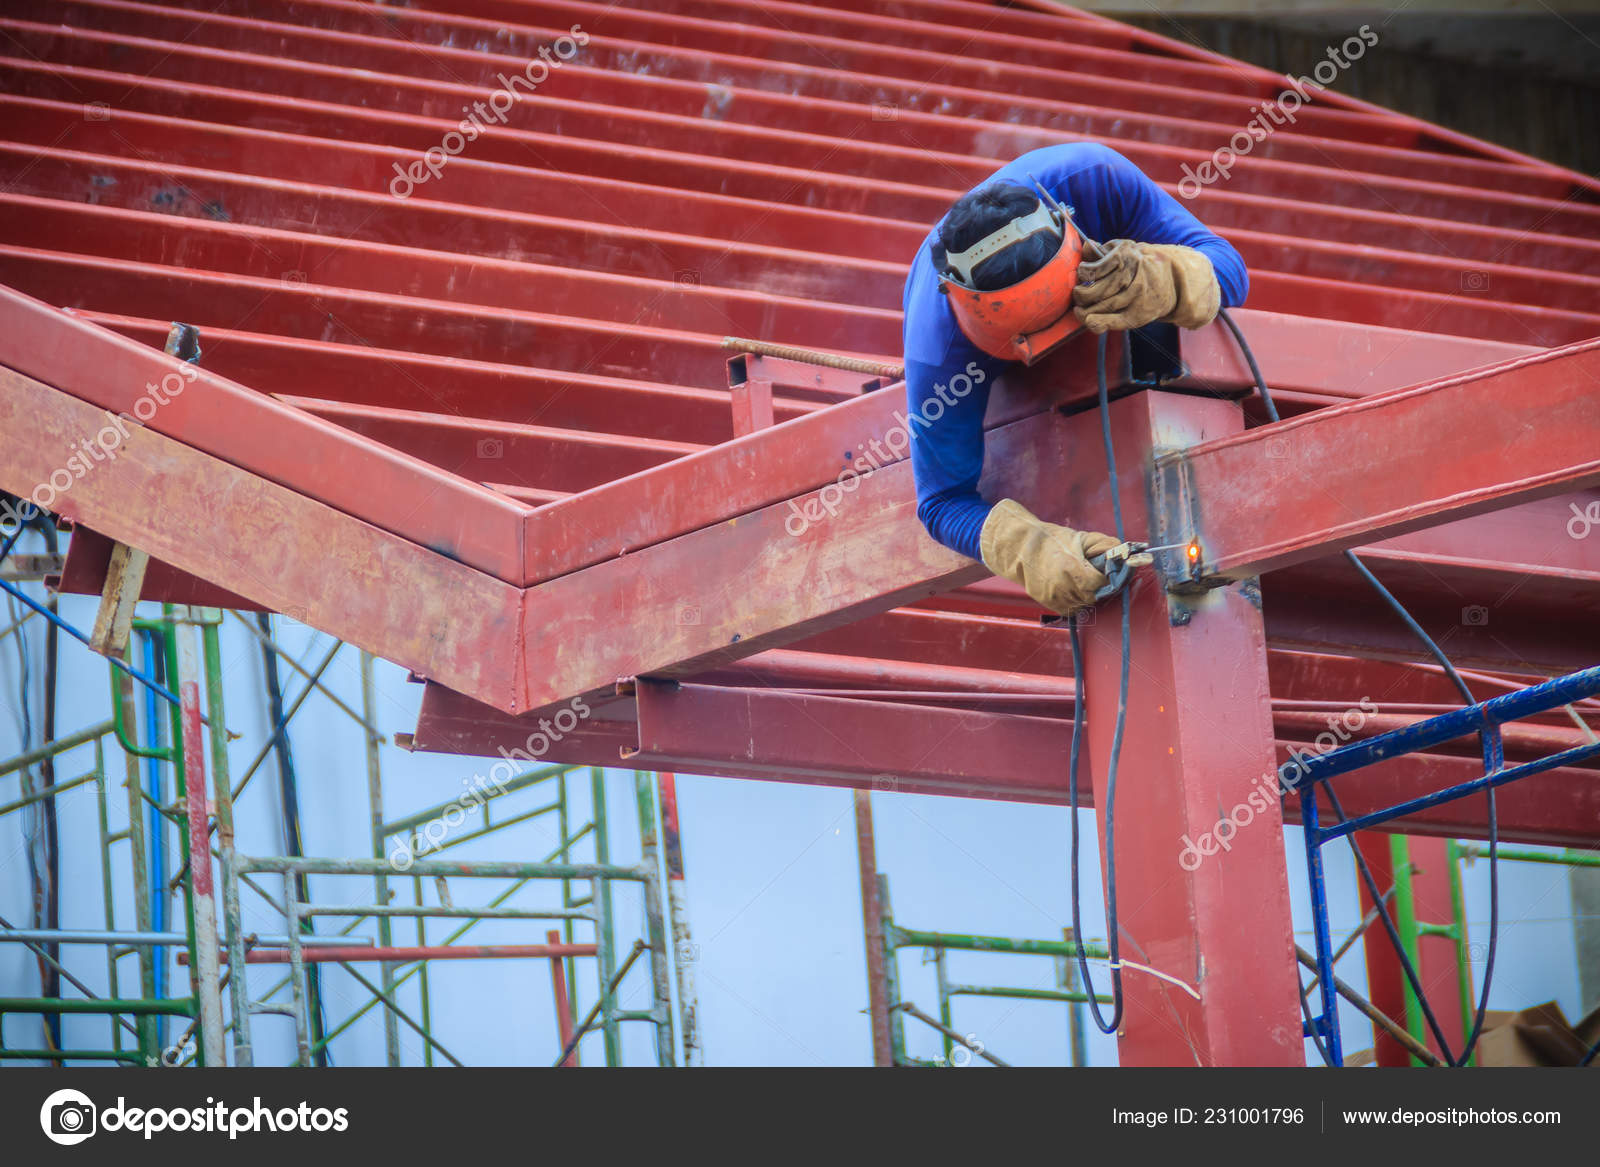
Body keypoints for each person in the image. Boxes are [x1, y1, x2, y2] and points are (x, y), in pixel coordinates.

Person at [902, 143, 1248, 614]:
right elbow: (941, 501)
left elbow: (1229, 268)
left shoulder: (1093, 181)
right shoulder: (939, 351)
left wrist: (1167, 279)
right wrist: (1032, 549)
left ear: (1073, 234)